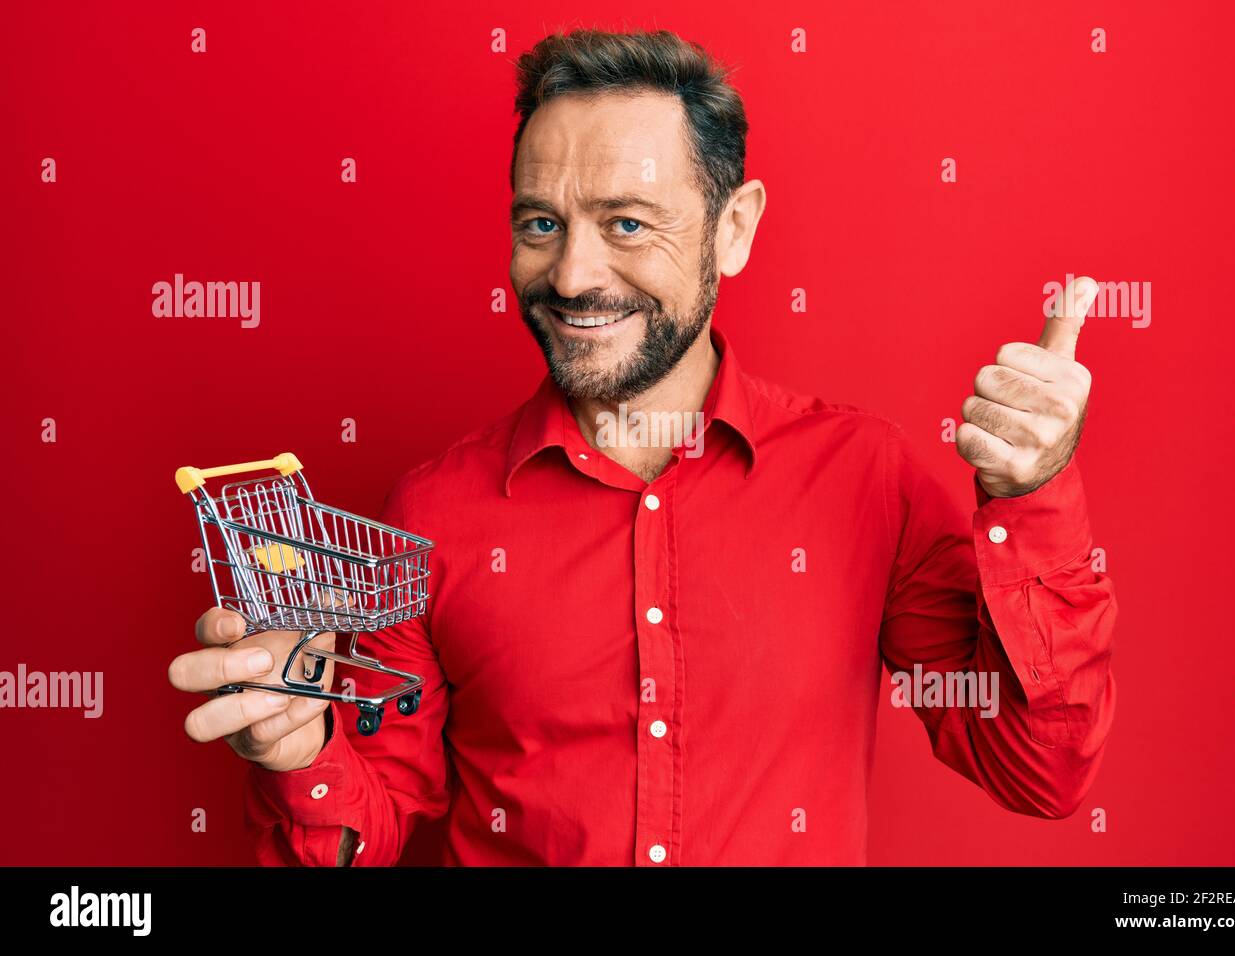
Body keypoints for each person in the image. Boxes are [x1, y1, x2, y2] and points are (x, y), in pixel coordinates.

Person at [168, 28, 1116, 866]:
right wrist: (300, 751)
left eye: (627, 223)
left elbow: (1041, 772)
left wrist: (1036, 489)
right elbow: (359, 834)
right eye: (542, 223)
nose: (574, 274)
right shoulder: (434, 514)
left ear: (733, 228)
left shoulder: (866, 480)